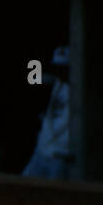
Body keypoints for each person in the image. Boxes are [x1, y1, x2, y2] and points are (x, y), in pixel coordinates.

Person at [21, 45, 73, 180]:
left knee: (53, 195)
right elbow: (34, 79)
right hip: (42, 151)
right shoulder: (55, 83)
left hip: (59, 156)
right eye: (57, 67)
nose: (59, 71)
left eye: (63, 67)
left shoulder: (78, 88)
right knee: (23, 185)